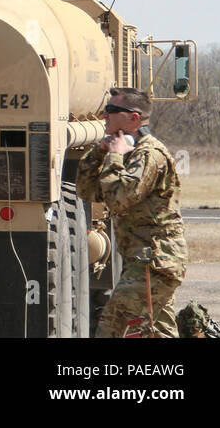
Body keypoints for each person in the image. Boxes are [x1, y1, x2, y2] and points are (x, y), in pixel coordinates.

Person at [76, 87, 187, 337]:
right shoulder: (130, 152)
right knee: (159, 331)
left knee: (113, 326)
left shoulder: (149, 155)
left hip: (154, 262)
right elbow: (87, 190)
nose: (105, 116)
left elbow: (118, 200)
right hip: (144, 261)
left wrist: (115, 157)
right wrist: (100, 151)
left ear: (134, 118)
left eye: (112, 110)